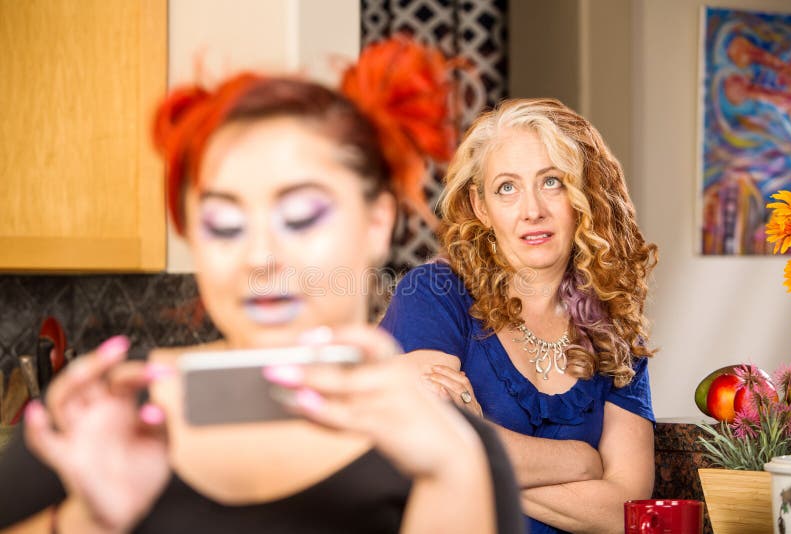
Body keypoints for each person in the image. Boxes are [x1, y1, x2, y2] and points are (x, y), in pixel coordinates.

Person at [0, 37, 524, 534]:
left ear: (376, 222)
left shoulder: (452, 450)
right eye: (223, 225)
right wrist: (85, 522)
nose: (260, 257)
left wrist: (448, 477)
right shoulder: (102, 416)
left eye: (300, 218)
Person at [380, 98, 659, 533]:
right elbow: (426, 443)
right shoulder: (434, 295)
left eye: (552, 182)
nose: (532, 210)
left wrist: (479, 454)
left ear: (586, 196)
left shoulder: (613, 329)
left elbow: (625, 514)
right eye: (506, 188)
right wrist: (581, 463)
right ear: (480, 207)